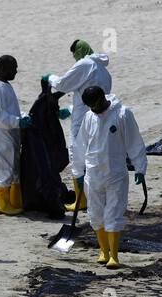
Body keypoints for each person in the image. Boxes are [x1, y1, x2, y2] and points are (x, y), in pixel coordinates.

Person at [73, 86, 146, 269]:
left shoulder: (122, 114)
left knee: (113, 212)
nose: (93, 109)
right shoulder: (89, 117)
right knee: (95, 214)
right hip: (93, 173)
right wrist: (78, 172)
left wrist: (140, 168)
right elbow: (80, 145)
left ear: (102, 99)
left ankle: (114, 255)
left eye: (95, 104)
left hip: (115, 174)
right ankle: (103, 251)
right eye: (89, 106)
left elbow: (135, 142)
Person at [45, 39, 112, 212]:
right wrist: (70, 108)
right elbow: (93, 97)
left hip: (83, 123)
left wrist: (50, 78)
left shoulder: (85, 64)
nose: (74, 58)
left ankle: (81, 201)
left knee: (77, 159)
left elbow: (63, 84)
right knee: (94, 159)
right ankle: (96, 197)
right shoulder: (103, 70)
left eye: (74, 53)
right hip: (100, 121)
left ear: (79, 51)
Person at [0, 55, 32, 215]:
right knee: (4, 168)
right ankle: (3, 204)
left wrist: (22, 117)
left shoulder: (5, 85)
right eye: (14, 68)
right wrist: (17, 122)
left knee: (14, 168)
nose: (16, 72)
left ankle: (15, 200)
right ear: (4, 69)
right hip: (1, 134)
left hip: (10, 133)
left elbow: (11, 110)